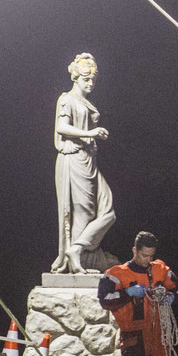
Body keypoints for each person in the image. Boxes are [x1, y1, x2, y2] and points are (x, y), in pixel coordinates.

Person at [51, 53, 116, 274]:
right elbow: (62, 127)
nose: (90, 84)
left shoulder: (85, 102)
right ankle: (75, 261)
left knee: (107, 210)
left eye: (93, 80)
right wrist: (90, 133)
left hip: (89, 159)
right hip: (75, 157)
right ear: (75, 78)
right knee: (84, 212)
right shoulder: (66, 99)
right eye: (86, 79)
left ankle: (77, 249)